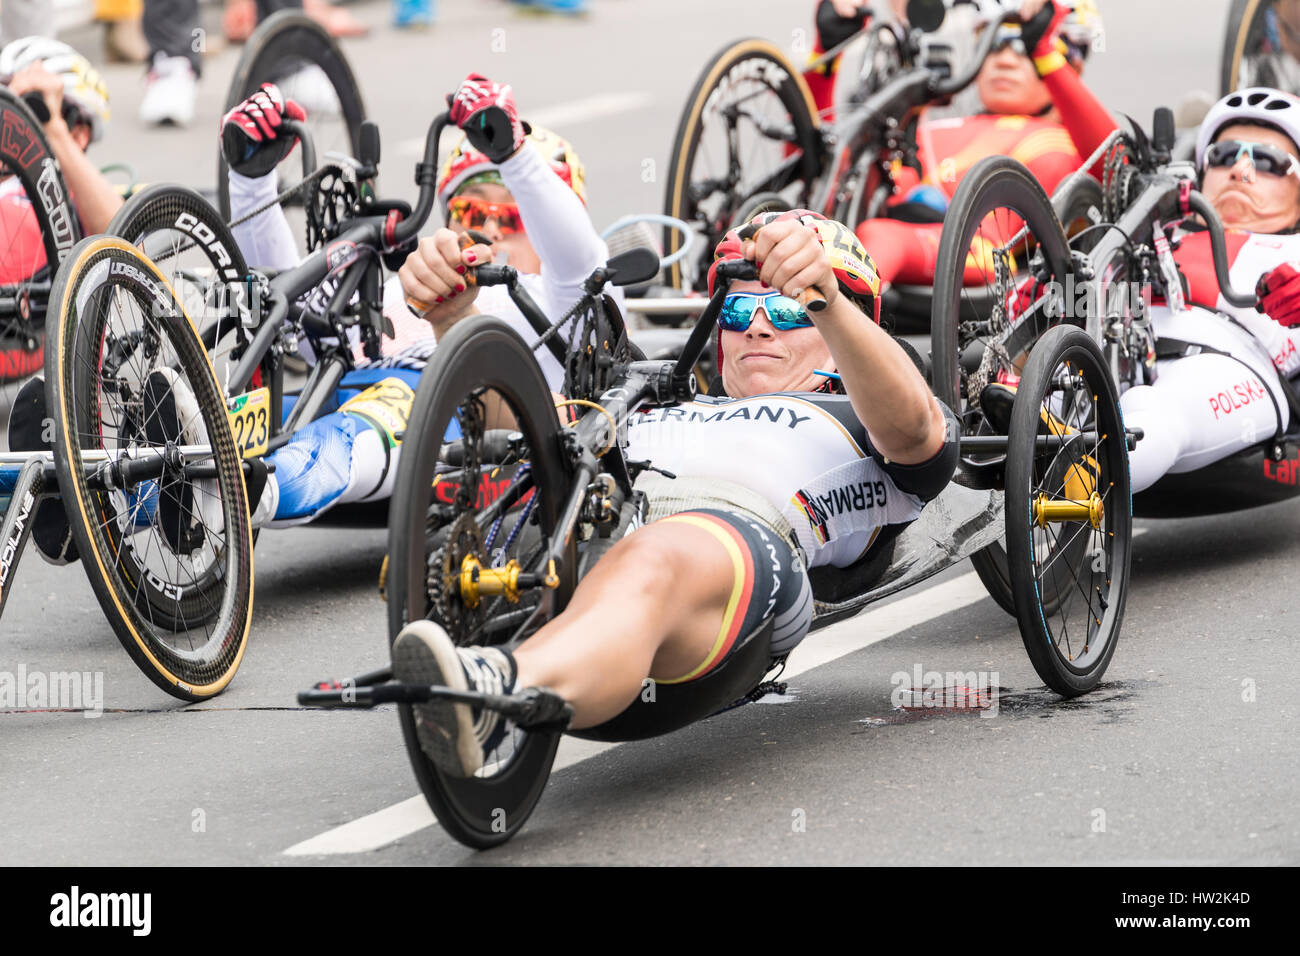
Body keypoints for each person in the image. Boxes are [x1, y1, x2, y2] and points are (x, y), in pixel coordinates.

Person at [390, 209, 960, 777]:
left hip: (737, 577)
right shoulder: (658, 399)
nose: (757, 328)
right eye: (738, 310)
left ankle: (494, 693)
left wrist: (826, 300)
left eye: (787, 308)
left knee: (657, 553)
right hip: (593, 543)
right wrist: (455, 318)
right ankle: (509, 663)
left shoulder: (864, 414)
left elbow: (917, 433)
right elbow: (522, 435)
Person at [220, 73, 615, 525]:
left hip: (437, 407)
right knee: (236, 419)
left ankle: (242, 497)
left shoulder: (563, 300)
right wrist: (251, 182)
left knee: (361, 422)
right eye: (469, 210)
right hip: (337, 388)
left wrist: (516, 158)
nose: (487, 228)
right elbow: (294, 320)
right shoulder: (400, 288)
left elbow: (580, 258)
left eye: (512, 215)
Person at [986, 87, 1300, 495]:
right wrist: (1040, 300)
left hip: (1229, 363)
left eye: (1268, 161)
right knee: (1014, 382)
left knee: (1156, 410)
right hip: (1113, 350)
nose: (1241, 171)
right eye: (1224, 156)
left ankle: (1083, 476)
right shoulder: (1152, 230)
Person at [831, 0, 1114, 289]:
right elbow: (827, 189)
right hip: (889, 242)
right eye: (992, 43)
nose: (1004, 60)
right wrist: (826, 57)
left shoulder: (1068, 143)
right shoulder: (935, 129)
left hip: (979, 253)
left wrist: (1044, 54)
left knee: (881, 235)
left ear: (1074, 59)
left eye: (1022, 47)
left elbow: (1120, 169)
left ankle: (824, 320)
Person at [0, 38, 120, 286]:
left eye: (25, 108)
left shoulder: (80, 201)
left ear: (79, 134)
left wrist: (51, 128)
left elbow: (129, 249)